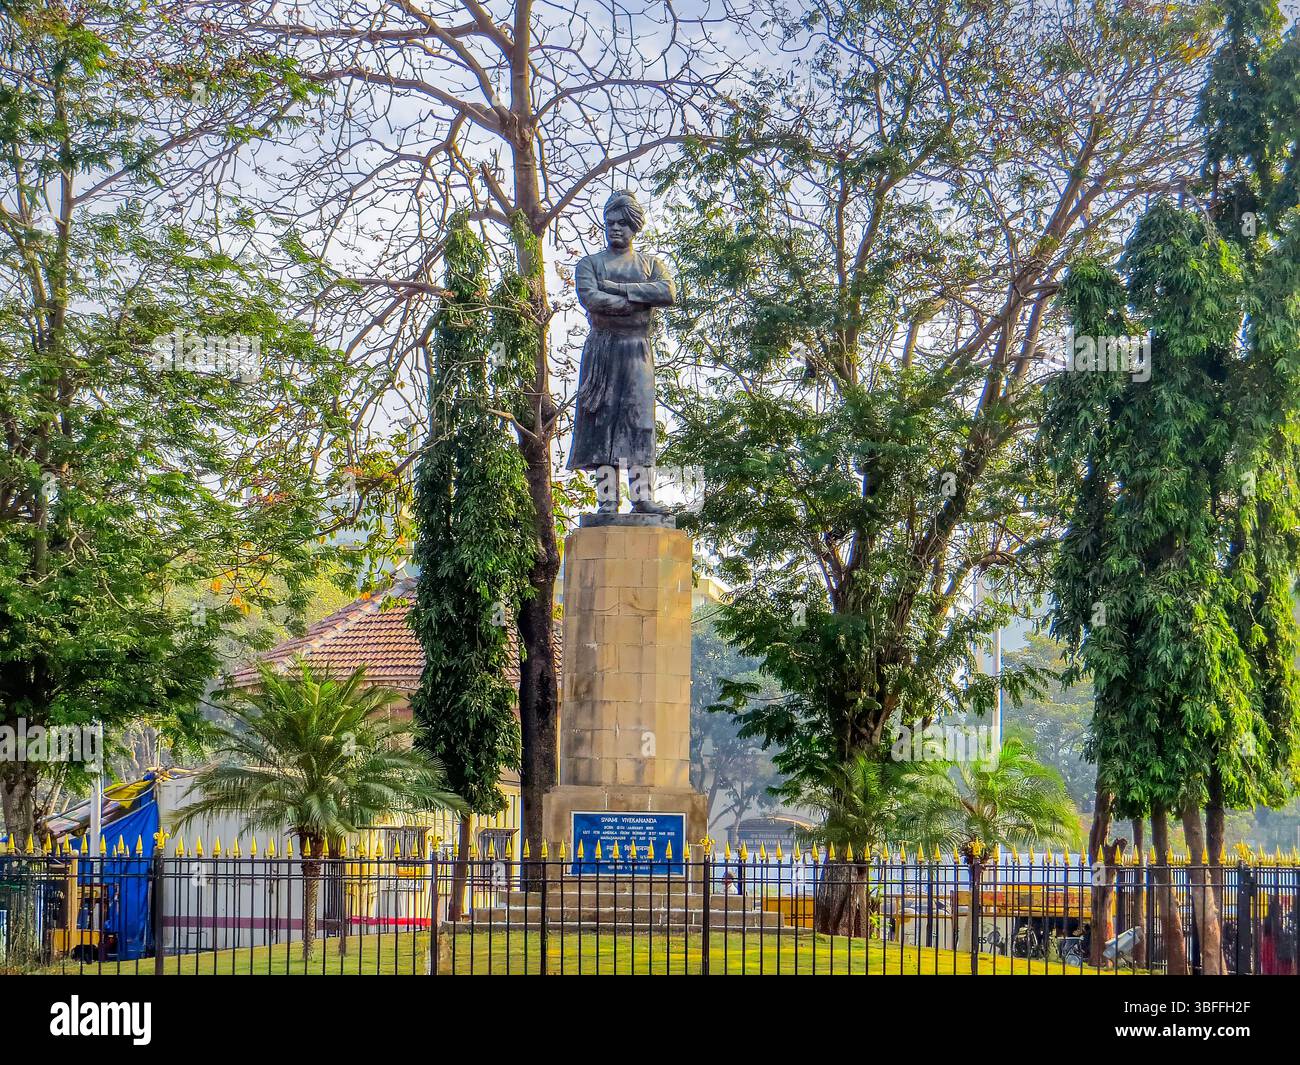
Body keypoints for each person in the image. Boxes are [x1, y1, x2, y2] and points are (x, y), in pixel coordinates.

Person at [568, 190, 677, 515]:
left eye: (622, 223)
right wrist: (639, 304)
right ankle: (607, 502)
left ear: (634, 226)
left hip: (637, 353)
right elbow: (592, 300)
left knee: (639, 423)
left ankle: (642, 498)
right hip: (602, 350)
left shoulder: (650, 263)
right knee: (603, 425)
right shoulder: (590, 264)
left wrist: (619, 289)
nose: (615, 228)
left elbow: (667, 292)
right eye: (610, 223)